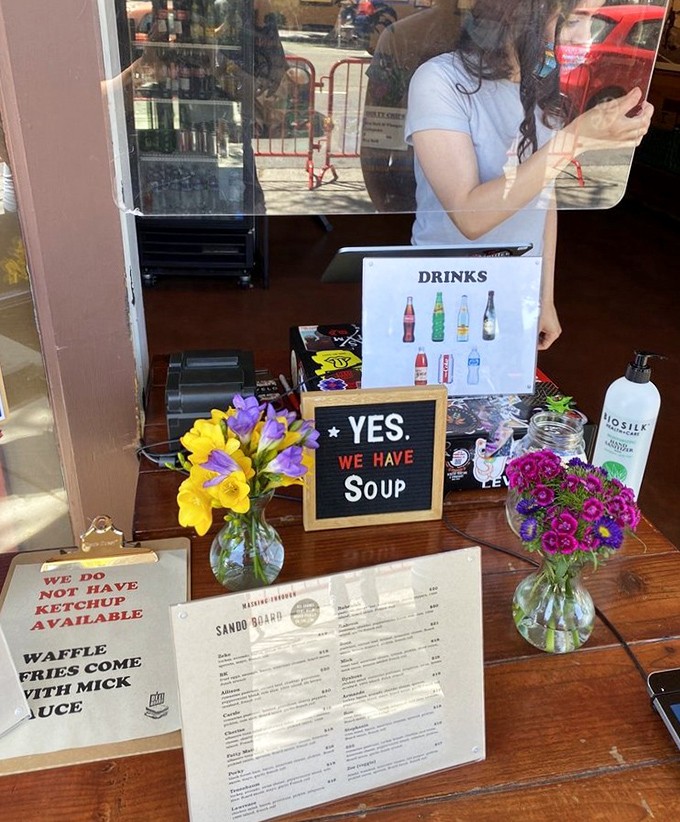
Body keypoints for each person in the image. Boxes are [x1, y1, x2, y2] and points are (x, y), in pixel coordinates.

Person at [405, 0, 653, 350]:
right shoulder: (439, 80)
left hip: (515, 288)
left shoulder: (540, 88)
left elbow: (541, 199)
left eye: (592, 20)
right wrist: (576, 138)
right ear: (522, 16)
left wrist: (544, 296)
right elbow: (469, 216)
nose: (586, 36)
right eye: (572, 20)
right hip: (444, 286)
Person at [360, 0, 468, 212]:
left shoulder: (401, 35)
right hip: (410, 183)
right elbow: (377, 132)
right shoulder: (401, 36)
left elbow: (375, 136)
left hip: (487, 197)